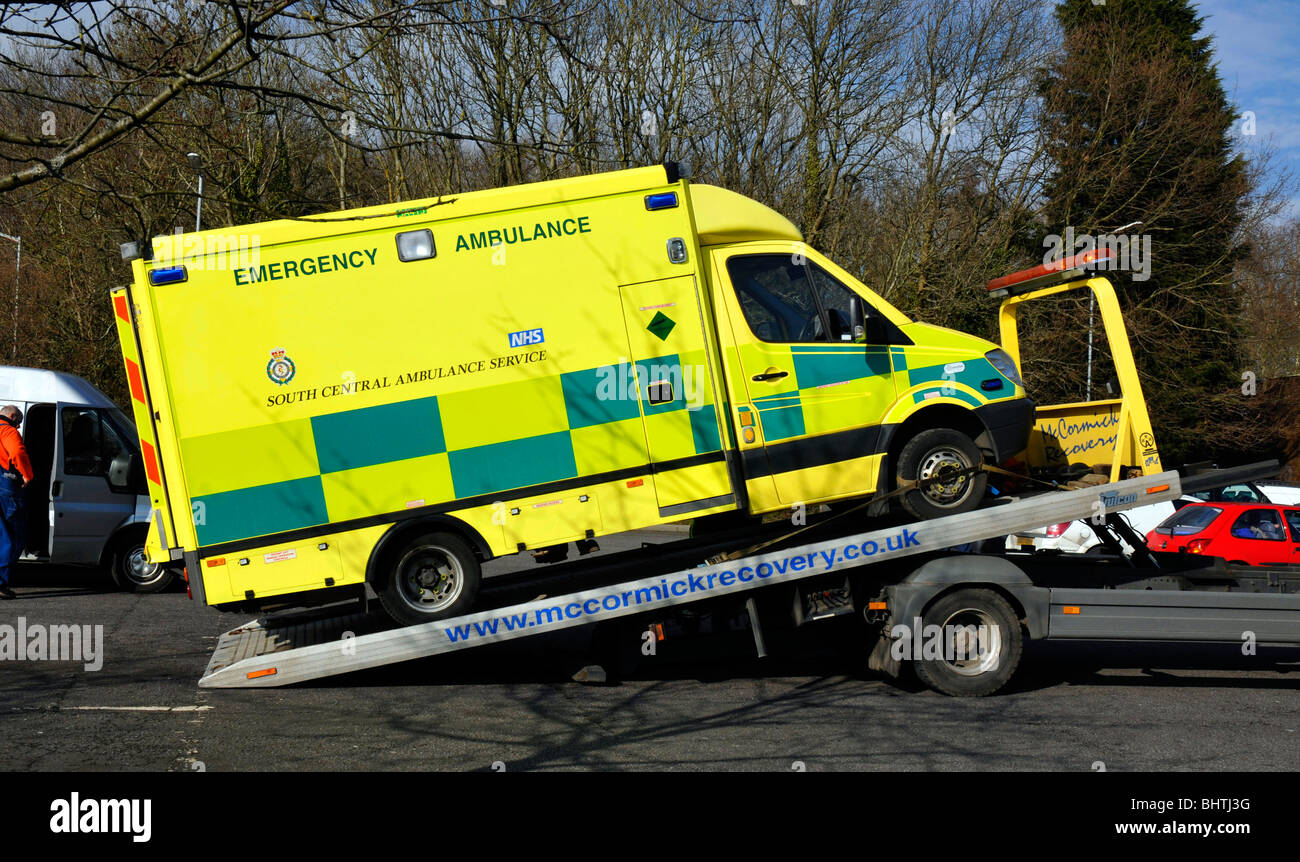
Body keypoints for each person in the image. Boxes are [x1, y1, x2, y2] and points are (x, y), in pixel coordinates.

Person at [0, 404, 33, 600]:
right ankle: (1, 583)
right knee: (12, 538)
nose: (18, 427)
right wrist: (27, 475)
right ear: (12, 417)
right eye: (18, 422)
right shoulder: (8, 431)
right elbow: (18, 453)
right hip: (6, 489)